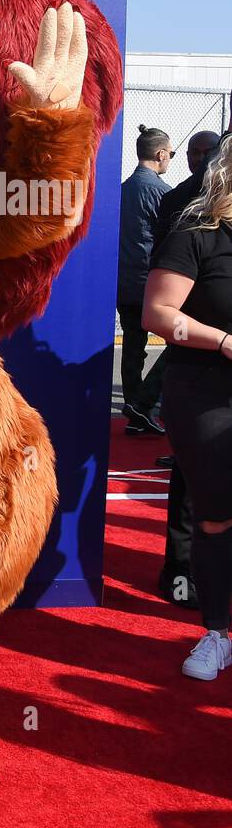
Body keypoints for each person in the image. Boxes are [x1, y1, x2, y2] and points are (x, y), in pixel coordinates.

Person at [143, 136, 232, 680]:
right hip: (206, 394)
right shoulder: (198, 236)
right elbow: (157, 312)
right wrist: (224, 341)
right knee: (218, 516)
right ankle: (217, 633)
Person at [118, 125, 175, 434]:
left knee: (132, 348)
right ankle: (143, 402)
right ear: (161, 154)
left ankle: (134, 410)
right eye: (172, 154)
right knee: (178, 345)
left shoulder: (124, 190)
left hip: (124, 284)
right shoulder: (162, 193)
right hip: (151, 286)